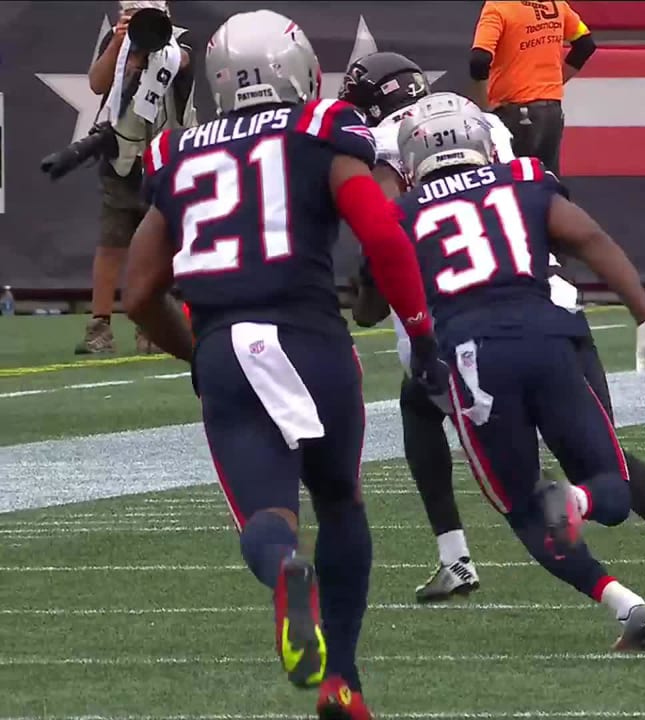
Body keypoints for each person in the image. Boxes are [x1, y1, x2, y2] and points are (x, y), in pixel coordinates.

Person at [121, 10, 446, 720]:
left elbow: (138, 292)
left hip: (227, 348)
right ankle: (345, 682)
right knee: (341, 502)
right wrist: (421, 336)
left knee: (268, 518)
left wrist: (195, 352)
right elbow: (382, 235)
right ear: (295, 68)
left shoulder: (176, 149)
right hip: (312, 342)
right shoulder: (321, 128)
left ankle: (284, 574)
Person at [344, 57, 645, 629]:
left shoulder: (400, 204)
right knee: (602, 477)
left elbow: (368, 302)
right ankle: (644, 515)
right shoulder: (522, 171)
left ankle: (618, 603)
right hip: (551, 326)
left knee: (523, 504)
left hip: (468, 356)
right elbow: (589, 235)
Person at [80, 0, 196, 355]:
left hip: (164, 160)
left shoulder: (180, 48)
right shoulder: (117, 46)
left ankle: (153, 323)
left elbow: (182, 68)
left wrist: (153, 49)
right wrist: (120, 45)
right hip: (122, 156)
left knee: (162, 246)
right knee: (111, 243)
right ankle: (99, 325)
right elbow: (98, 84)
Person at [468, 0, 597, 174]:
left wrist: (484, 110)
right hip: (551, 113)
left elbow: (479, 60)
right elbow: (585, 44)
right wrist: (554, 83)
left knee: (512, 186)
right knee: (548, 187)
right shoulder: (557, 4)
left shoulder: (498, 7)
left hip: (511, 113)